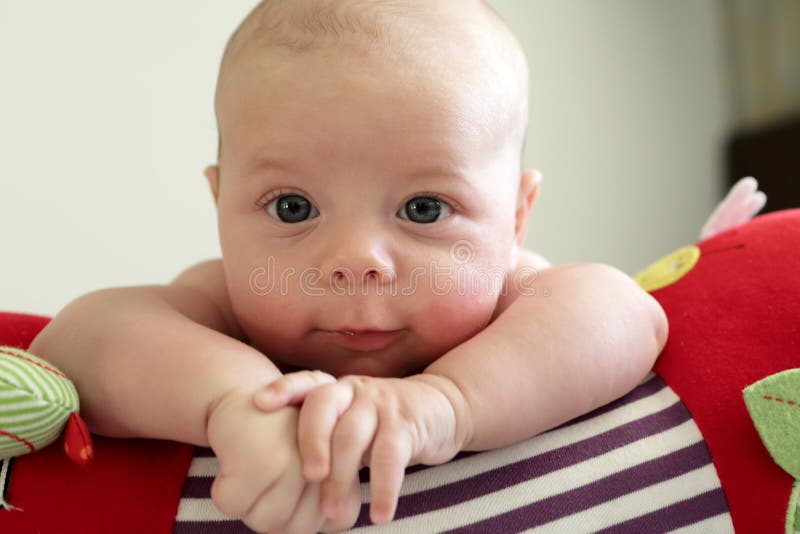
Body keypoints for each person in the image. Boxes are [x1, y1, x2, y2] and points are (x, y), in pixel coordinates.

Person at [30, 1, 669, 532]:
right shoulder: (225, 311)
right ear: (220, 205)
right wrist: (228, 398)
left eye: (423, 208)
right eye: (292, 206)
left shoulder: (513, 295)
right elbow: (77, 341)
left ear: (515, 218)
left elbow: (625, 312)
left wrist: (447, 403)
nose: (355, 262)